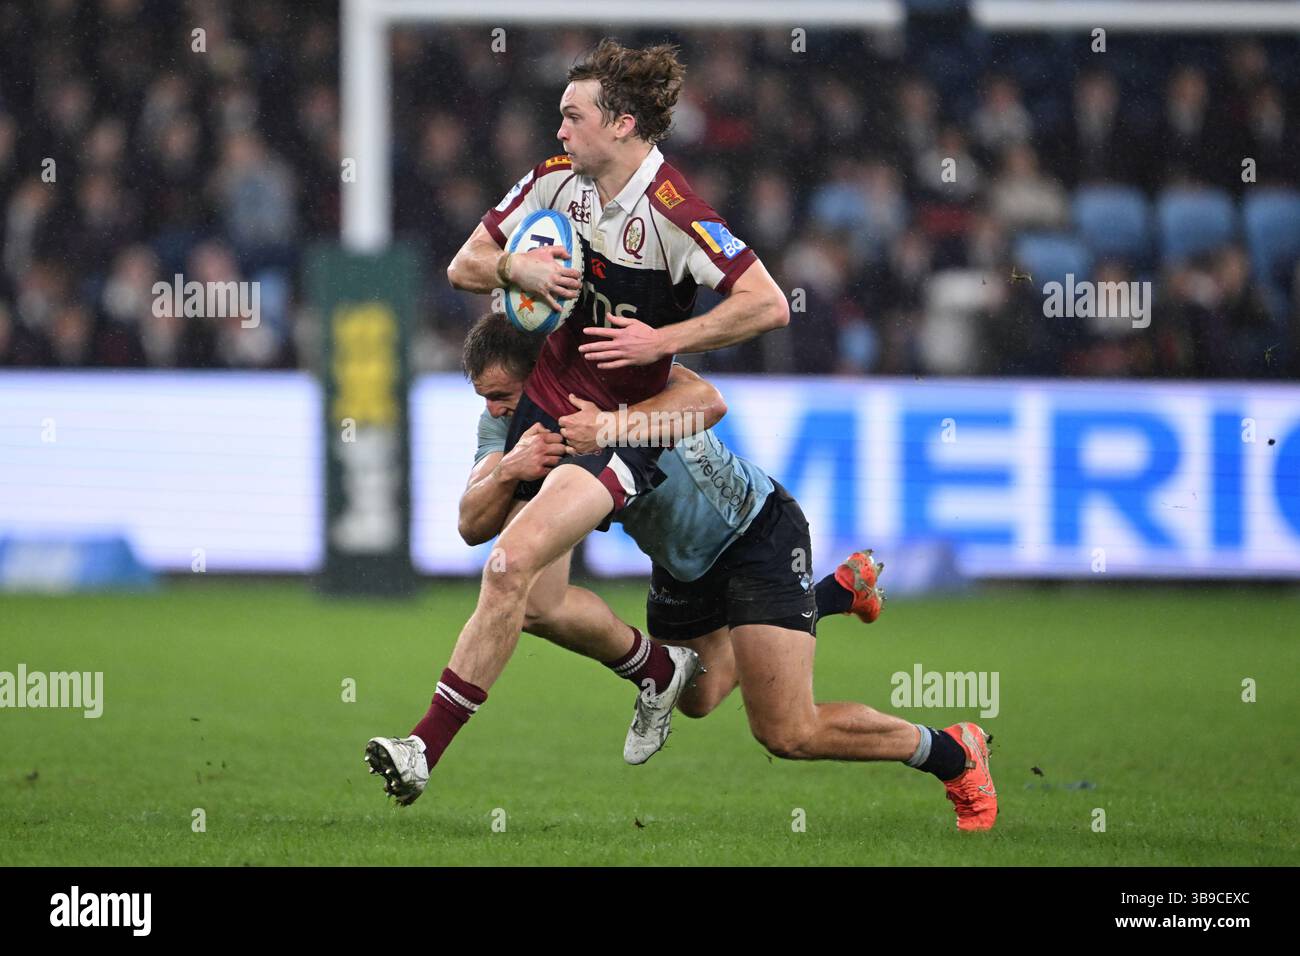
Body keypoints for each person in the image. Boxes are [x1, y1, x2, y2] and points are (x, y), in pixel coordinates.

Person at [366, 38, 791, 806]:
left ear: (623, 124)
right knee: (535, 602)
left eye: (573, 116)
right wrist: (514, 266)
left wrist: (663, 340)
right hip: (549, 401)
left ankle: (422, 748)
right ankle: (658, 668)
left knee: (507, 565)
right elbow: (463, 264)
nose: (559, 130)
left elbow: (768, 304)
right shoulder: (554, 181)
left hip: (615, 427)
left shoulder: (675, 212)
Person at [380, 313, 997, 832]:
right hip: (681, 566)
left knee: (787, 732)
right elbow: (470, 522)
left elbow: (708, 401)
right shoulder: (504, 421)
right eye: (485, 398)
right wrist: (510, 469)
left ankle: (952, 751)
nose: (495, 409)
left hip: (755, 536)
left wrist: (613, 425)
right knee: (698, 696)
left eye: (502, 394)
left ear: (543, 368)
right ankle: (833, 594)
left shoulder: (610, 367)